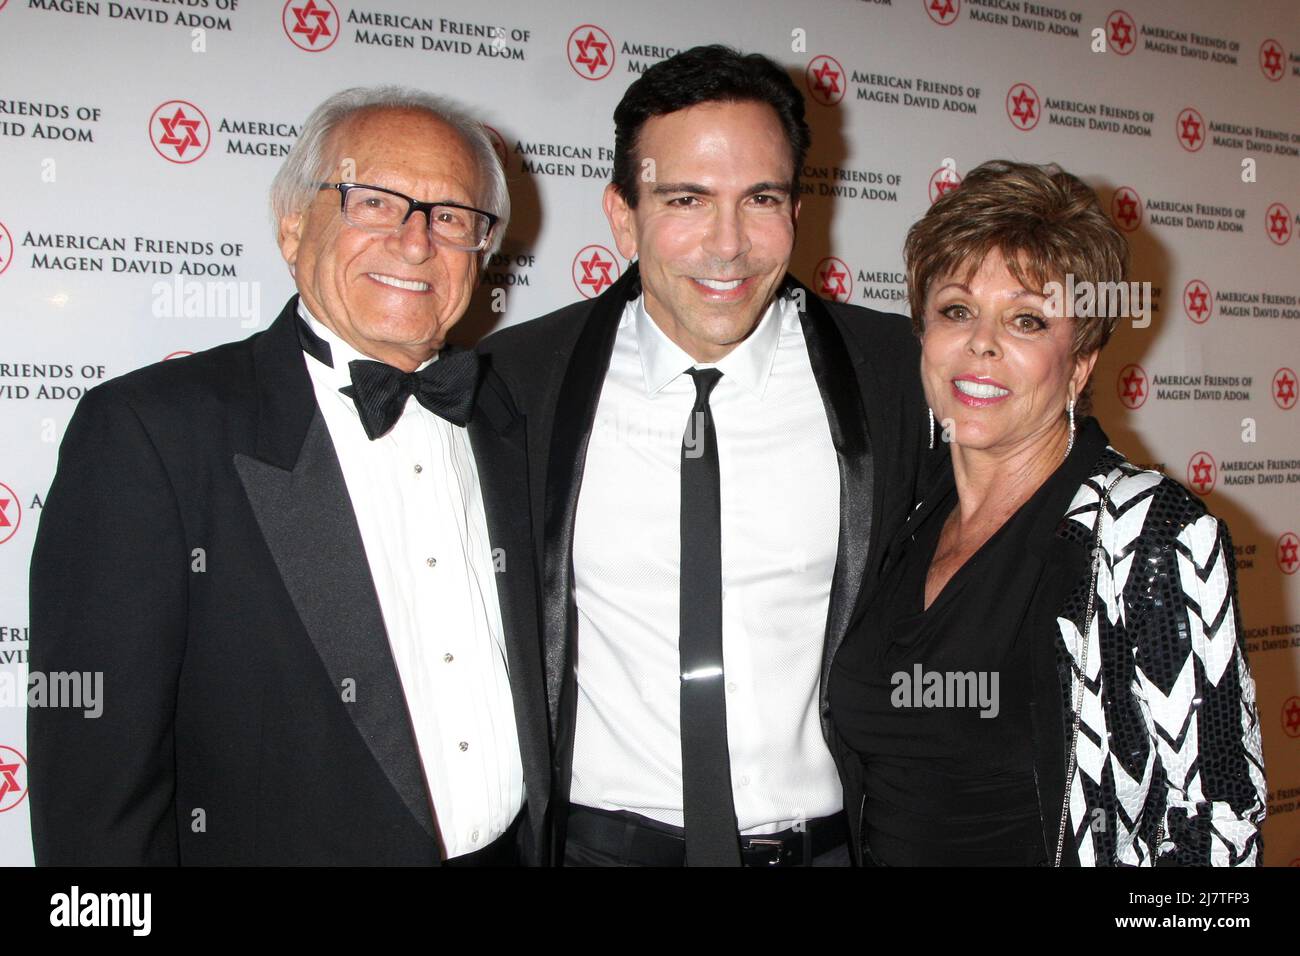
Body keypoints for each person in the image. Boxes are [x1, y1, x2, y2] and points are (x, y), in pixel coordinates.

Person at [28, 87, 550, 865]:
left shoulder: (513, 422)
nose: (415, 244)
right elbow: (94, 792)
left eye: (450, 217)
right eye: (374, 202)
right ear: (294, 225)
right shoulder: (153, 433)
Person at [480, 45, 930, 866]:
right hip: (598, 853)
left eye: (760, 198)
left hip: (832, 851)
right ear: (623, 214)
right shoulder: (516, 384)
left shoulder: (899, 373)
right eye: (686, 199)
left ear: (798, 210)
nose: (728, 246)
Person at [828, 159, 1267, 866]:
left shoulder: (1149, 535)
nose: (982, 343)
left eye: (1027, 319)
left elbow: (1217, 841)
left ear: (1082, 362)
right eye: (956, 310)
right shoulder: (903, 513)